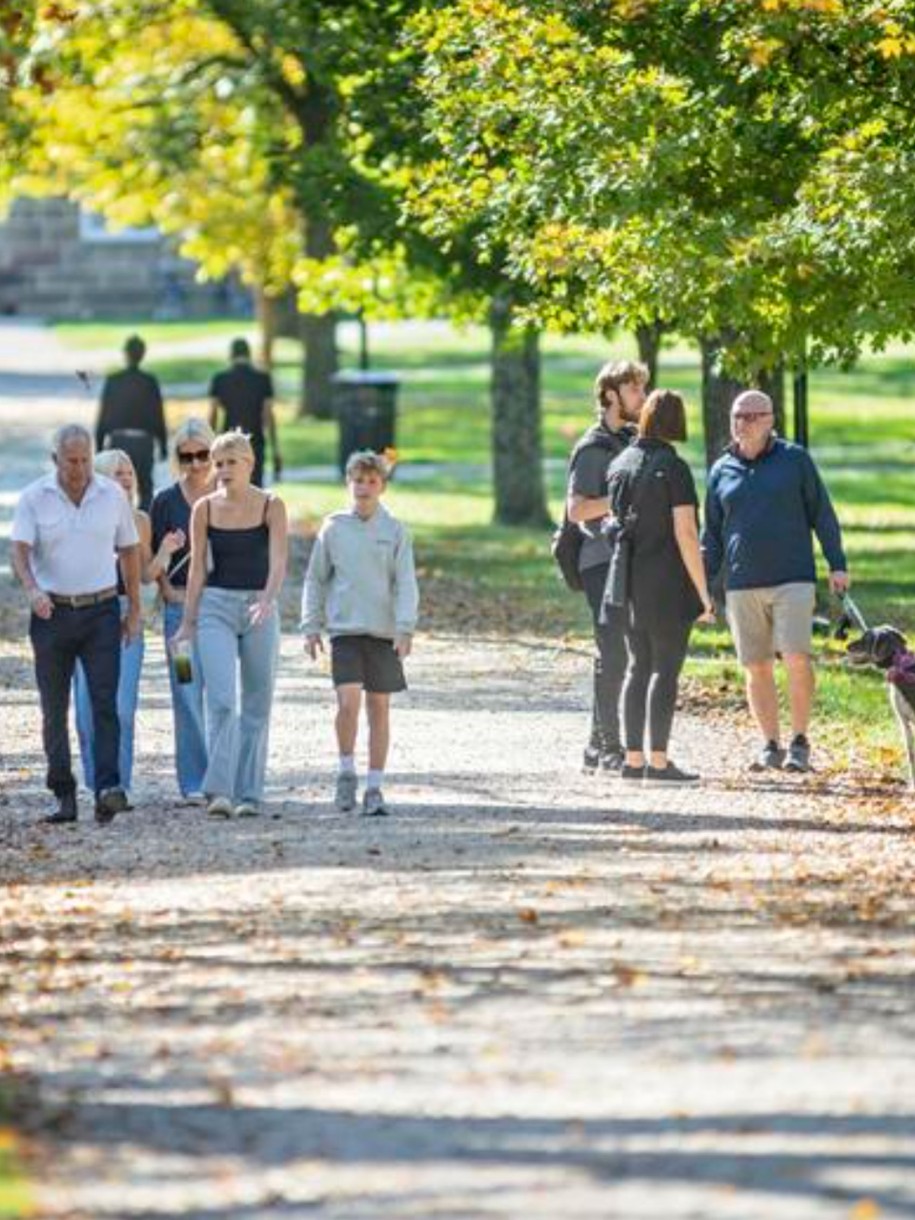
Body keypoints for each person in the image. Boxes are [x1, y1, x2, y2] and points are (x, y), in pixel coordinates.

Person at [702, 389, 849, 773]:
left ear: (770, 420)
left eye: (752, 416)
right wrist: (702, 584)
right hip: (741, 583)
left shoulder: (795, 460)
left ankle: (800, 740)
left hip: (793, 578)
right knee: (756, 665)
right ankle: (770, 743)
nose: (743, 423)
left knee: (796, 656)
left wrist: (837, 563)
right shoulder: (720, 470)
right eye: (738, 416)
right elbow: (712, 535)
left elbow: (823, 513)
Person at [11, 424, 140, 824]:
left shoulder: (111, 495)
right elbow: (19, 552)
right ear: (56, 460)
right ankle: (63, 793)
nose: (80, 468)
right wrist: (32, 589)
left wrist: (133, 606)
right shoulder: (35, 498)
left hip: (101, 610)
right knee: (54, 708)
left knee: (106, 703)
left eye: (85, 459)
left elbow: (130, 551)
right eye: (72, 461)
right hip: (52, 613)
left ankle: (107, 788)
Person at [171, 430, 287, 817]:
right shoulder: (203, 508)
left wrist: (268, 599)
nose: (222, 469)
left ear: (250, 464)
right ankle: (219, 791)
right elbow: (197, 571)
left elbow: (279, 562)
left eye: (231, 462)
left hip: (259, 607)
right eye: (217, 463)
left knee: (257, 702)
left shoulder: (272, 505)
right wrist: (188, 623)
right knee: (221, 700)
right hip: (215, 608)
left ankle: (249, 793)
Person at [606, 390, 715, 787]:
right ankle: (659, 759)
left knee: (638, 667)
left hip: (627, 581)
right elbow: (686, 533)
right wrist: (703, 594)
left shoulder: (621, 463)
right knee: (665, 671)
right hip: (667, 582)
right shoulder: (674, 468)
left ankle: (632, 759)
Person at [302, 450, 419, 817]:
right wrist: (311, 625)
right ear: (348, 483)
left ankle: (375, 785)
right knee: (347, 703)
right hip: (345, 631)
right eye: (358, 480)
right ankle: (346, 772)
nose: (364, 487)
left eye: (372, 481)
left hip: (383, 634)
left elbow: (405, 583)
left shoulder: (395, 531)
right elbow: (315, 579)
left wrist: (405, 627)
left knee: (379, 708)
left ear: (382, 486)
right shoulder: (333, 528)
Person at [565, 359, 647, 772]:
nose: (643, 398)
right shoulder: (593, 447)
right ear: (612, 395)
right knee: (613, 651)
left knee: (622, 653)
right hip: (599, 560)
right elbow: (577, 509)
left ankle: (597, 746)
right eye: (635, 390)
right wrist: (622, 501)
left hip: (631, 560)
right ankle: (609, 746)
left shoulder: (634, 441)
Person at [73, 450, 156, 804]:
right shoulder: (80, 518)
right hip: (85, 614)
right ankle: (96, 781)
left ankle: (119, 783)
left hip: (124, 613)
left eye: (130, 473)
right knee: (88, 706)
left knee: (122, 705)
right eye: (117, 473)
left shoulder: (139, 520)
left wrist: (165, 553)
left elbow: (148, 572)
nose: (126, 479)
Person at [150, 418, 215, 802]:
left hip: (218, 614)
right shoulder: (165, 501)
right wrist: (166, 591)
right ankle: (194, 781)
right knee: (187, 692)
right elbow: (153, 558)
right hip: (178, 620)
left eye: (203, 455)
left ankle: (222, 775)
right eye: (186, 457)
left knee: (222, 695)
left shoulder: (225, 498)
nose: (195, 464)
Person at [95, 334, 167, 511]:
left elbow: (104, 414)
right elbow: (158, 414)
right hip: (144, 442)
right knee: (145, 488)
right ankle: (143, 528)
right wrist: (163, 444)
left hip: (118, 441)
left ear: (125, 354)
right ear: (142, 354)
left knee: (114, 488)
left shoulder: (114, 381)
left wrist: (99, 444)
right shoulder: (150, 381)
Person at [208, 338, 281, 488]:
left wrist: (210, 443)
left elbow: (213, 414)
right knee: (255, 488)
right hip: (256, 439)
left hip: (228, 440)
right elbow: (268, 414)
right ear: (249, 354)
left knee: (228, 487)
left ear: (231, 355)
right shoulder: (262, 379)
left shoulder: (220, 379)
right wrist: (275, 448)